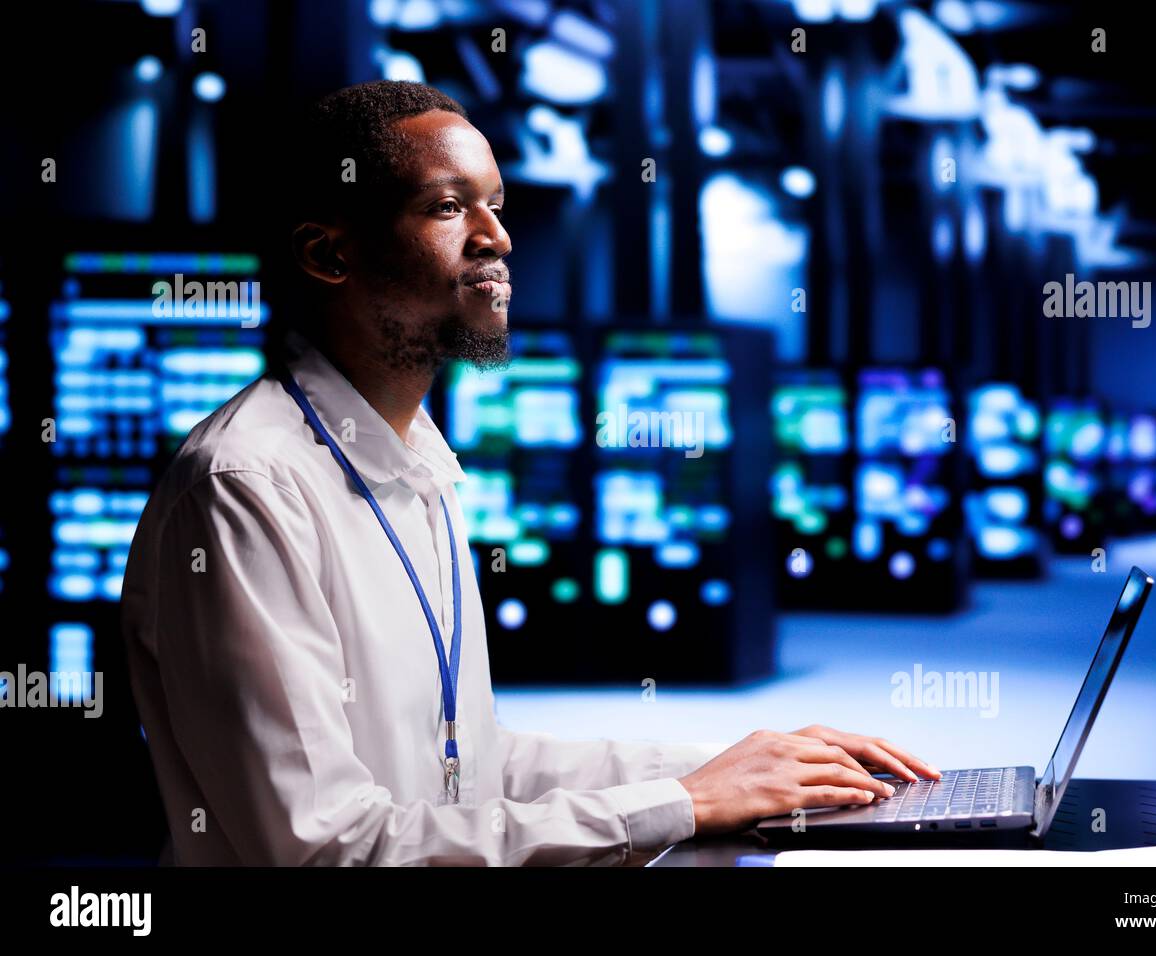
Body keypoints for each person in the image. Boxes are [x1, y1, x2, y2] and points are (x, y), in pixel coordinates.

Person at [120, 79, 940, 866]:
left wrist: (739, 765)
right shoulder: (246, 487)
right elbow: (328, 849)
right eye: (448, 208)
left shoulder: (418, 465)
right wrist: (684, 802)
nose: (498, 238)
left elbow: (472, 769)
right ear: (329, 253)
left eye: (496, 206)